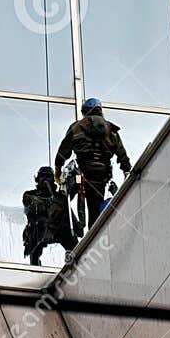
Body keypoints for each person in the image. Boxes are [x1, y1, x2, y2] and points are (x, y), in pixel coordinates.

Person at [54, 97, 131, 236]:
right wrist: (126, 170)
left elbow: (63, 151)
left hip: (82, 175)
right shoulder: (111, 129)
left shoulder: (76, 127)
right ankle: (93, 237)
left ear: (84, 111)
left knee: (61, 199)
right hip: (102, 175)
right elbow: (121, 154)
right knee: (95, 211)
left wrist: (58, 170)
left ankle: (73, 228)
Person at [22, 166, 75, 267]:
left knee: (71, 239)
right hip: (38, 231)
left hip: (56, 229)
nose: (45, 179)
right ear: (38, 179)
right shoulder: (29, 195)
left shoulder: (60, 197)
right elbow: (35, 205)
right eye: (42, 176)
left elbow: (68, 213)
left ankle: (74, 260)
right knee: (34, 249)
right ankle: (35, 267)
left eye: (48, 176)